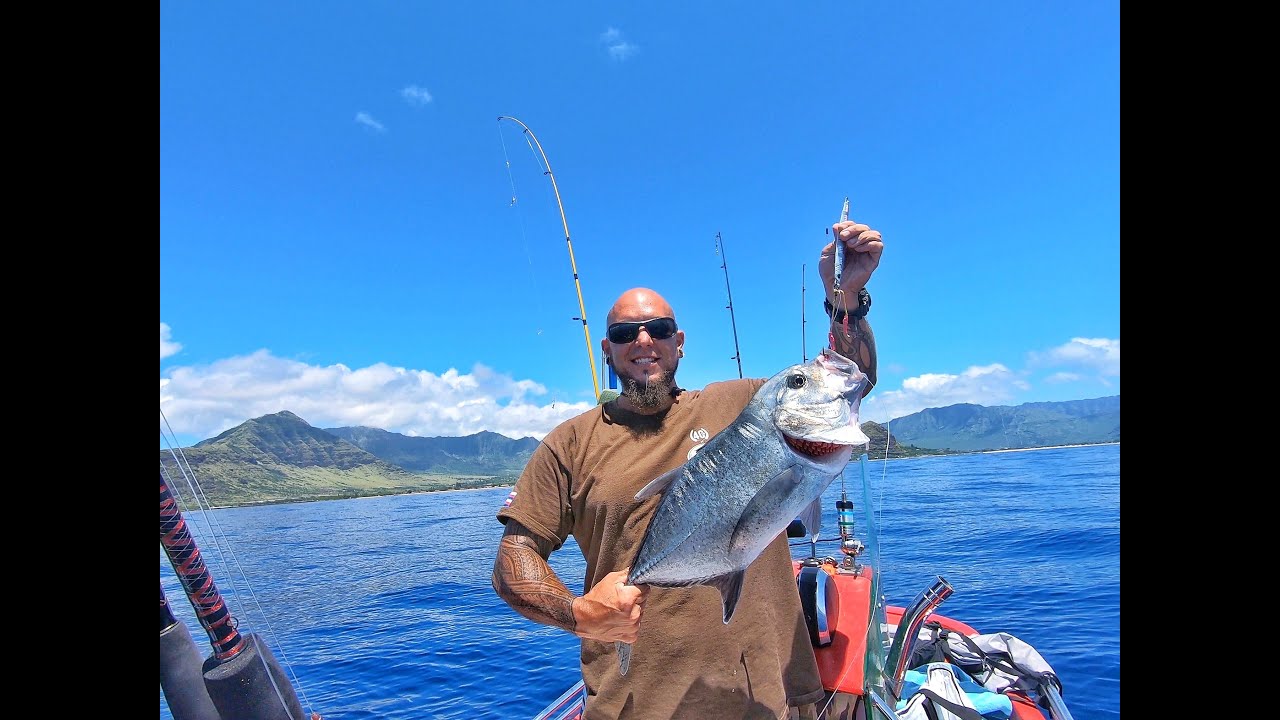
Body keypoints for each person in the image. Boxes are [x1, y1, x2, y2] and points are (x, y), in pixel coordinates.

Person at [493, 217, 883, 720]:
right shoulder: (567, 444)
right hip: (634, 706)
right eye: (623, 333)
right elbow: (513, 559)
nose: (642, 341)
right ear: (607, 349)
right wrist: (578, 613)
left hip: (764, 696)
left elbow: (851, 377)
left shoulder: (746, 403)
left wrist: (846, 296)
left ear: (679, 342)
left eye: (657, 329)